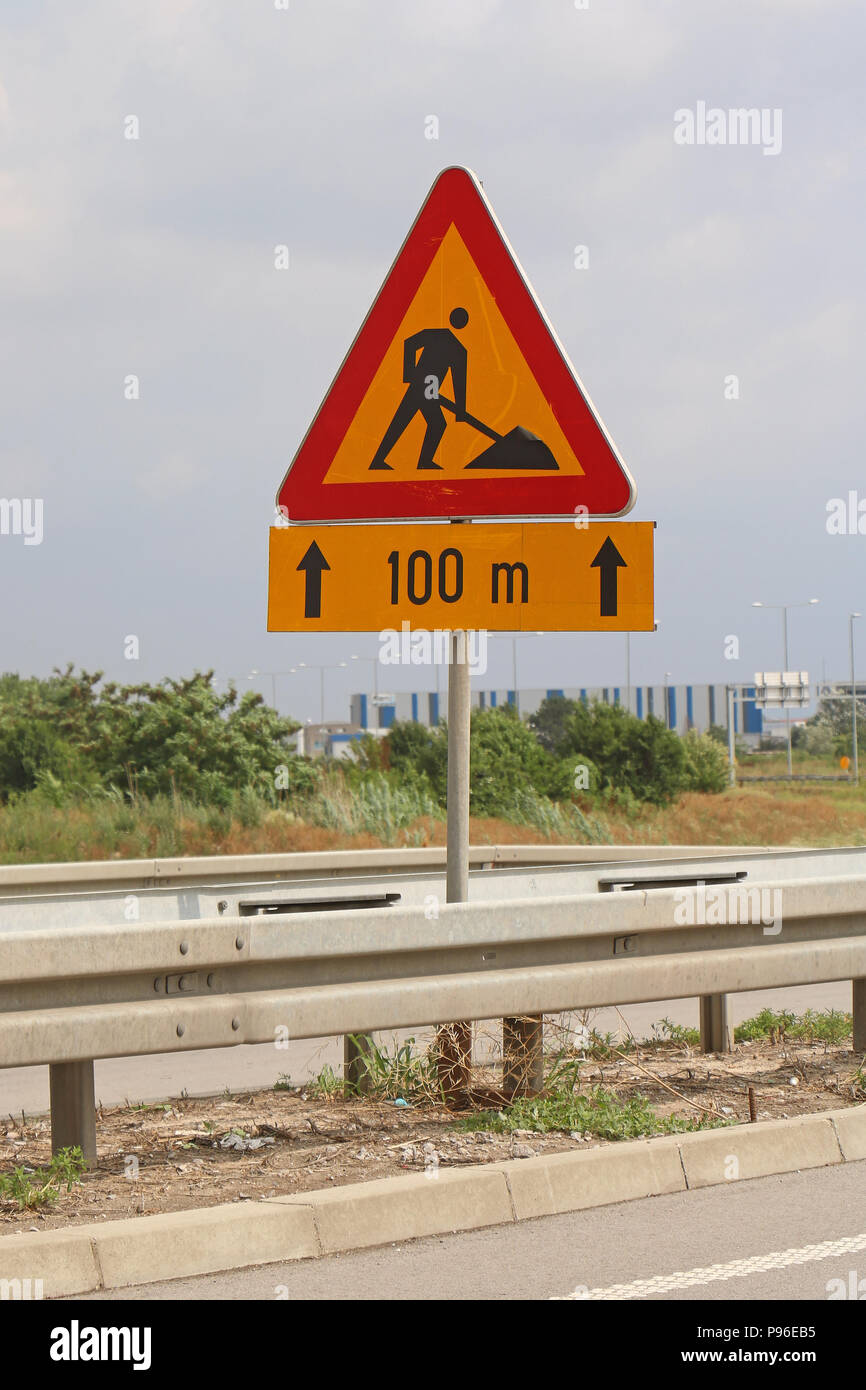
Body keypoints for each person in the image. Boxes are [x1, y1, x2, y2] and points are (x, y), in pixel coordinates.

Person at [369, 307, 469, 470]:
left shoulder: (453, 346)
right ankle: (386, 461)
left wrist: (460, 410)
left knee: (417, 422)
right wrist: (409, 375)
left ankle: (410, 461)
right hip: (420, 389)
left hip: (428, 393)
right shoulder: (452, 345)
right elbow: (409, 344)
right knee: (406, 422)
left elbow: (458, 381)